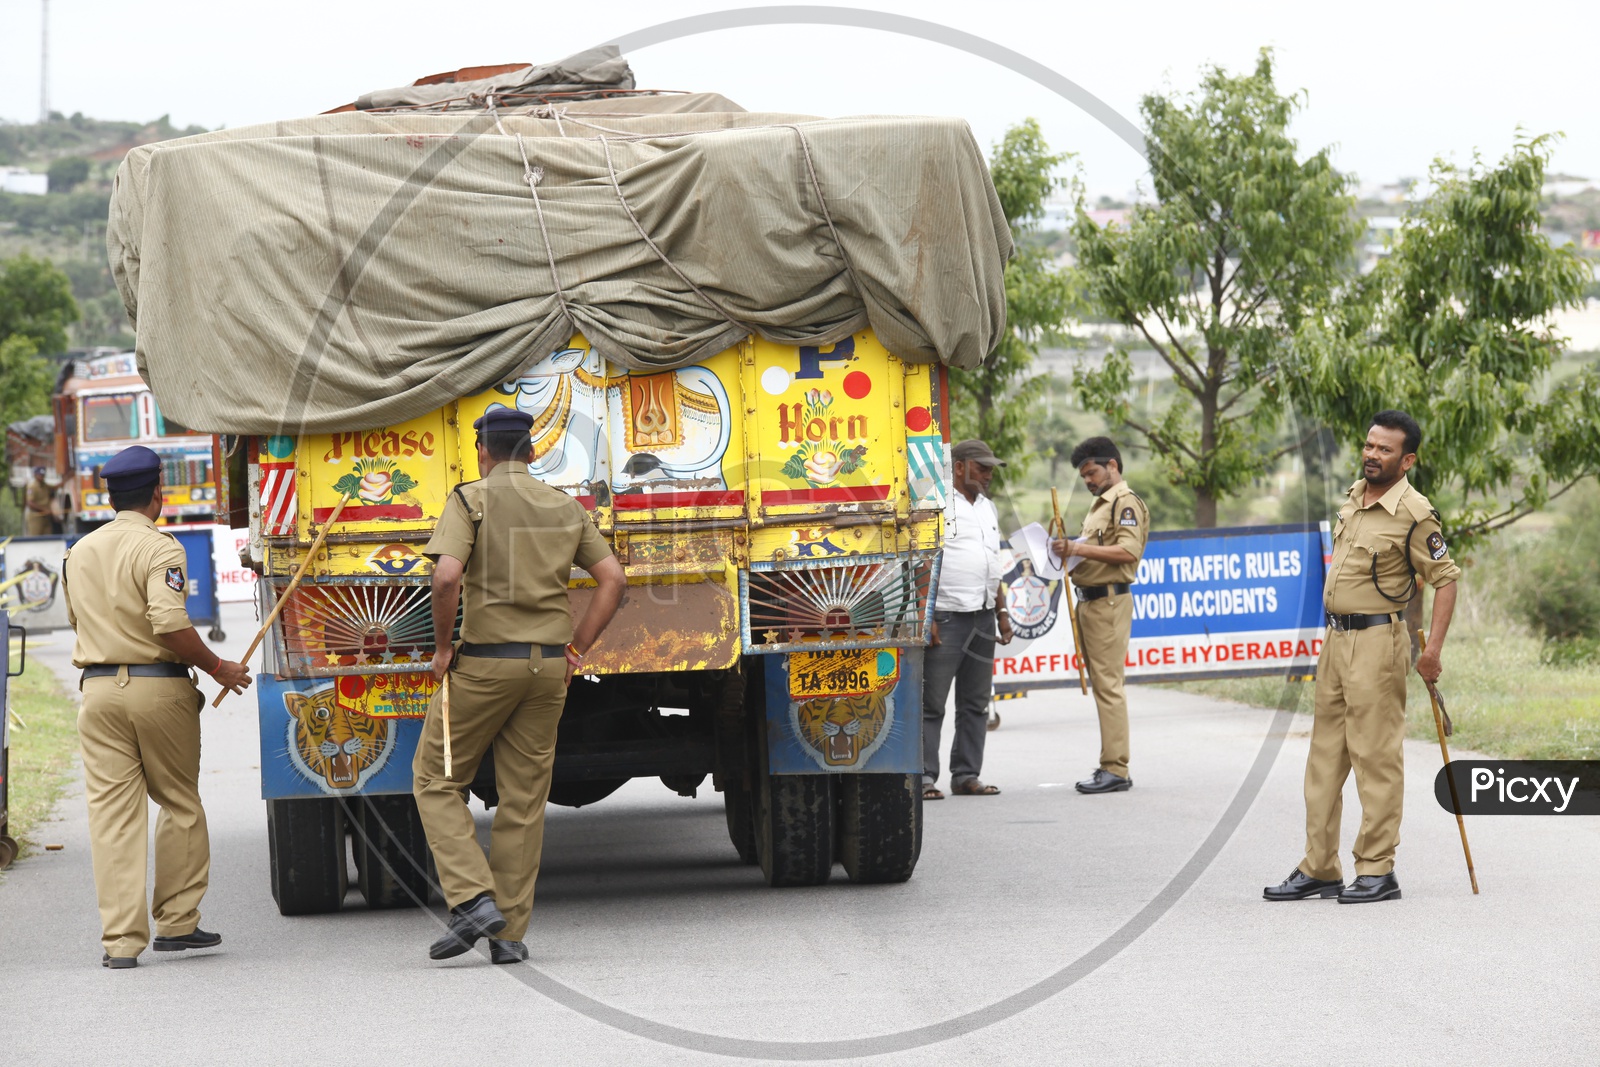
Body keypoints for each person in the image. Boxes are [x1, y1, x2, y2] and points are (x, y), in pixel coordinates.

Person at [414, 406, 627, 964]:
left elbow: (445, 575)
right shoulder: (565, 507)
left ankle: (470, 898)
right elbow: (613, 579)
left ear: (482, 451)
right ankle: (507, 936)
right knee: (524, 801)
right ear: (532, 453)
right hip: (547, 670)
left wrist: (441, 649)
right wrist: (577, 648)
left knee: (435, 779)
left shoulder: (470, 499)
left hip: (484, 665)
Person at [62, 445, 252, 969]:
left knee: (112, 819)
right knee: (179, 802)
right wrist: (219, 668)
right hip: (157, 687)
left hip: (96, 690)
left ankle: (121, 944)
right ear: (156, 494)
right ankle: (176, 923)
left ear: (109, 496)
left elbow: (78, 621)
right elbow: (169, 623)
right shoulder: (160, 548)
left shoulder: (78, 552)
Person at [1265, 410, 1459, 904]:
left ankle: (1377, 870)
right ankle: (1320, 867)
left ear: (1407, 458)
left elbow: (1446, 579)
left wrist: (1431, 650)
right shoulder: (1354, 497)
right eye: (1370, 445)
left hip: (1378, 643)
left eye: (1385, 449)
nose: (1373, 455)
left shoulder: (1415, 513)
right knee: (1324, 759)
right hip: (1335, 642)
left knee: (1375, 757)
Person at [1051, 437, 1148, 795]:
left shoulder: (1125, 503)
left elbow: (1127, 551)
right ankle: (1111, 764)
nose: (1088, 480)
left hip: (1108, 602)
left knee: (1109, 687)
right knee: (1103, 685)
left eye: (1092, 472)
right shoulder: (1099, 506)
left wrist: (1076, 547)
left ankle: (1116, 769)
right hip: (1091, 602)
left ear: (1113, 466)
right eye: (1084, 475)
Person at [922, 438, 1013, 800]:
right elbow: (924, 559)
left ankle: (966, 775)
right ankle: (924, 777)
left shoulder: (987, 508)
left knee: (975, 702)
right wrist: (924, 615)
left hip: (983, 616)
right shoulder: (937, 504)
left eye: (990, 468)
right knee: (931, 704)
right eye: (982, 467)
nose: (988, 474)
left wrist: (1001, 611)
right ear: (958, 466)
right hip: (945, 615)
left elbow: (994, 564)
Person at [24, 467, 53, 536]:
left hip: (45, 516)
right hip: (35, 516)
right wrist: (44, 509)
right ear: (35, 475)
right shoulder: (32, 486)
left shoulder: (44, 485)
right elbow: (30, 503)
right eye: (40, 475)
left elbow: (53, 488)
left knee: (48, 537)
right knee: (36, 537)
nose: (41, 477)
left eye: (43, 475)